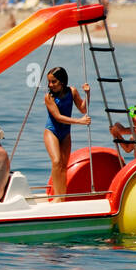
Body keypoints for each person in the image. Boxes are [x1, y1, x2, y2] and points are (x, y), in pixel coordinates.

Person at [43, 66, 91, 200]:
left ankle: (61, 197)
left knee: (63, 166)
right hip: (52, 132)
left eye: (54, 82)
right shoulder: (49, 97)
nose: (50, 85)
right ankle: (57, 196)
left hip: (65, 134)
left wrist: (87, 94)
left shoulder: (72, 91)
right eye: (49, 82)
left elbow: (83, 109)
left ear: (62, 82)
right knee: (57, 161)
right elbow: (58, 117)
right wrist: (80, 122)